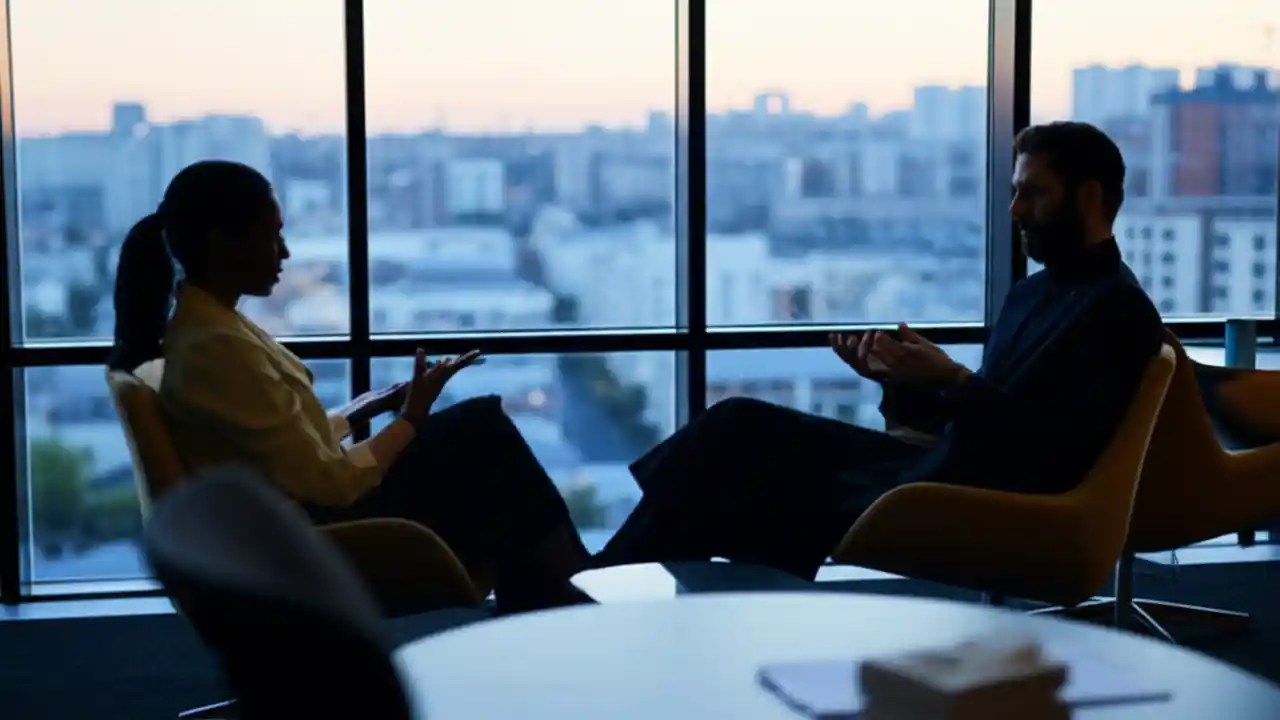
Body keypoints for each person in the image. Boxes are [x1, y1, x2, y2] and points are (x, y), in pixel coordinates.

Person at [596, 121, 1165, 579]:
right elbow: (977, 419)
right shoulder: (1032, 294)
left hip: (981, 494)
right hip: (942, 465)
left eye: (1033, 193)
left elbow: (1054, 455)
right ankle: (611, 583)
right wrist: (904, 378)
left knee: (740, 473)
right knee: (734, 427)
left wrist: (953, 380)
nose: (1015, 209)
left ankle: (597, 588)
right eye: (1015, 191)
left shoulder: (1119, 312)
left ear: (1089, 197)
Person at [109, 160, 588, 612]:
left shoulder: (207, 329)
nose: (285, 253)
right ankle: (572, 586)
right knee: (482, 435)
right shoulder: (217, 349)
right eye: (272, 236)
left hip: (290, 521)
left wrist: (366, 408)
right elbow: (330, 483)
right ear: (221, 244)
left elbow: (277, 447)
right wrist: (409, 420)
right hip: (315, 534)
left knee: (489, 469)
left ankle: (559, 590)